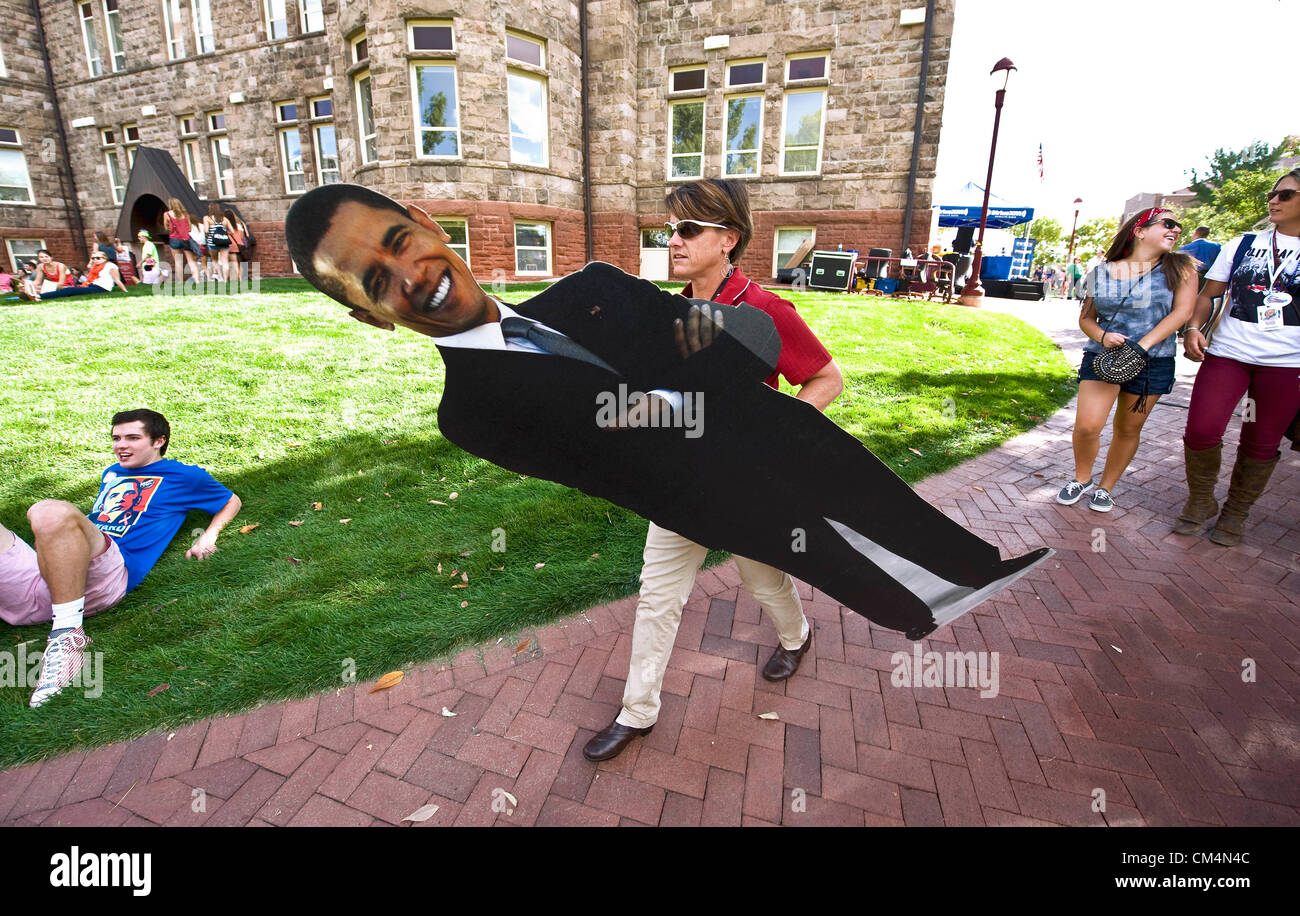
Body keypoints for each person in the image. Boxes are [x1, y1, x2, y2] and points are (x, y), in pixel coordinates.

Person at [284, 183, 1052, 653]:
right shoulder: (470, 414)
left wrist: (684, 384)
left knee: (875, 494)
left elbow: (733, 356)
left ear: (424, 222)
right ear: (368, 317)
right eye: (375, 283)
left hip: (768, 425)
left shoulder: (596, 285)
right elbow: (610, 457)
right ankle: (913, 612)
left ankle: (972, 565)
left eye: (399, 242)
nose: (411, 278)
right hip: (701, 489)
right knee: (815, 550)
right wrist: (674, 388)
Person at [585, 179, 845, 761]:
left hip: (747, 483)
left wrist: (775, 431)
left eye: (687, 230)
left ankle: (797, 637)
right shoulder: (668, 308)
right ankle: (637, 713)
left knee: (761, 580)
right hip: (680, 482)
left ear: (727, 239)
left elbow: (827, 379)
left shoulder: (765, 309)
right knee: (658, 595)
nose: (672, 241)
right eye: (669, 230)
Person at [1, 409, 241, 706]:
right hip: (49, 579)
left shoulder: (184, 477)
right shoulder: (112, 473)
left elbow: (232, 500)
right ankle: (63, 609)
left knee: (46, 511)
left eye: (132, 438)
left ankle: (68, 637)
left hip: (107, 576)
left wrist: (210, 534)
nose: (120, 445)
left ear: (159, 441)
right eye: (116, 438)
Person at [1177, 169, 1300, 545]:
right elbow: (1209, 294)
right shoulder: (1243, 243)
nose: (1273, 200)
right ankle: (1201, 501)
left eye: (1287, 195)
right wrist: (1194, 328)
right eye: (1272, 193)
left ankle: (1236, 512)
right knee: (1201, 430)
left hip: (1287, 364)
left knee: (1261, 441)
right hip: (1230, 353)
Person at [1057, 208, 1196, 512]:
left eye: (1179, 227)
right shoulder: (1101, 272)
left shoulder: (1182, 268)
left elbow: (1182, 313)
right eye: (1168, 224)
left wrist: (1143, 345)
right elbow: (1086, 319)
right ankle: (1082, 478)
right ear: (1140, 230)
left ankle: (1106, 488)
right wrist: (1103, 336)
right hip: (1103, 358)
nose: (1175, 230)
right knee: (1087, 426)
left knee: (1128, 429)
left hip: (1153, 361)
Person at [15, 249, 127, 300]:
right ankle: (28, 292)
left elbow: (117, 280)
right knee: (74, 290)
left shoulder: (110, 266)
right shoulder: (94, 267)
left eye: (98, 258)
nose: (95, 260)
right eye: (93, 258)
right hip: (92, 285)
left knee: (69, 291)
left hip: (102, 288)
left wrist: (125, 292)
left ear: (104, 258)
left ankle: (39, 297)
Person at [162, 198, 200, 284]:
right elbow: (190, 228)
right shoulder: (185, 214)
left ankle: (180, 282)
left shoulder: (167, 214)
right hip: (186, 239)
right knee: (191, 261)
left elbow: (166, 227)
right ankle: (197, 280)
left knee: (178, 261)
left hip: (174, 239)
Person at [1179, 225, 1222, 290]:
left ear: (1195, 233)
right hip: (1210, 278)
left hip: (1191, 278)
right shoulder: (1216, 246)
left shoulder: (1185, 248)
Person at [203, 202, 233, 282]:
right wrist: (224, 233)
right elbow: (232, 231)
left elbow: (206, 230)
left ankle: (220, 277)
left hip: (213, 243)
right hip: (224, 242)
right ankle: (226, 280)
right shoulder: (224, 219)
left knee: (215, 261)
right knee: (225, 261)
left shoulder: (207, 218)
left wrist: (211, 232)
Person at [225, 209, 248, 274]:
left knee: (234, 263)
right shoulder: (238, 226)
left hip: (230, 246)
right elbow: (242, 237)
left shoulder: (226, 227)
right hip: (239, 245)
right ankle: (241, 277)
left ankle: (236, 276)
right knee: (240, 263)